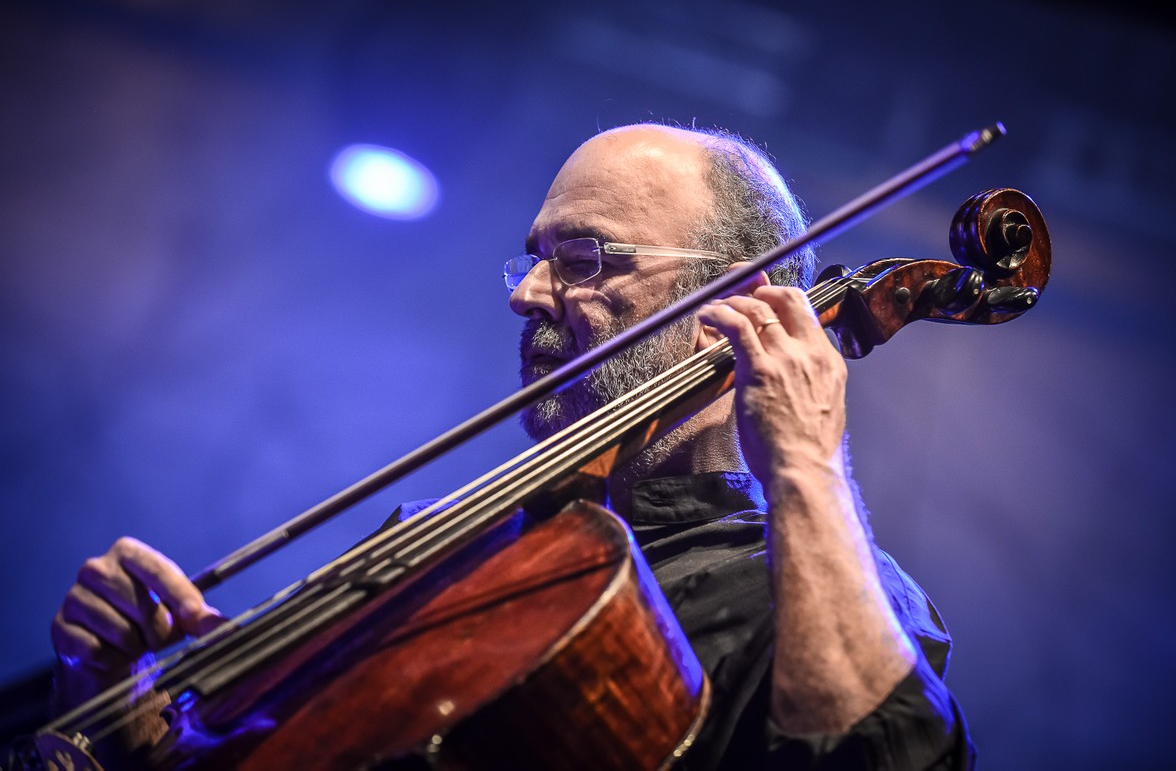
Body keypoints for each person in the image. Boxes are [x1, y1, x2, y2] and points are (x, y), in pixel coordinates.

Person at [49, 124, 974, 768]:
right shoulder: (447, 544)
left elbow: (883, 759)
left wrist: (806, 466)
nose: (525, 293)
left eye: (581, 261)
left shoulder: (824, 588)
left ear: (729, 309)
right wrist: (119, 705)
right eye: (533, 256)